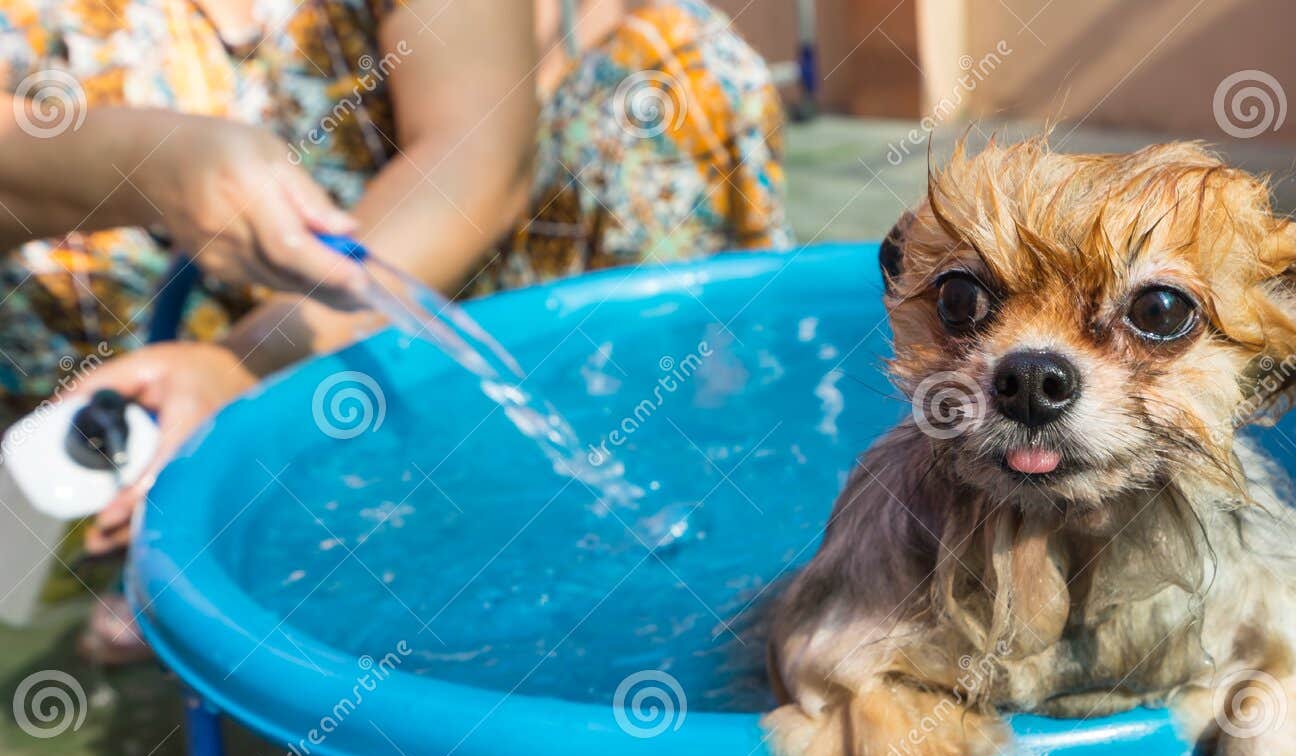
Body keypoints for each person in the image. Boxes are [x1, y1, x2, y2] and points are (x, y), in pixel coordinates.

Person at [0, 0, 789, 657]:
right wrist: (140, 162)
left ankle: (600, 471)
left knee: (668, 69)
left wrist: (245, 363)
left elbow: (475, 151)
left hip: (406, 300)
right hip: (136, 309)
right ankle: (186, 513)